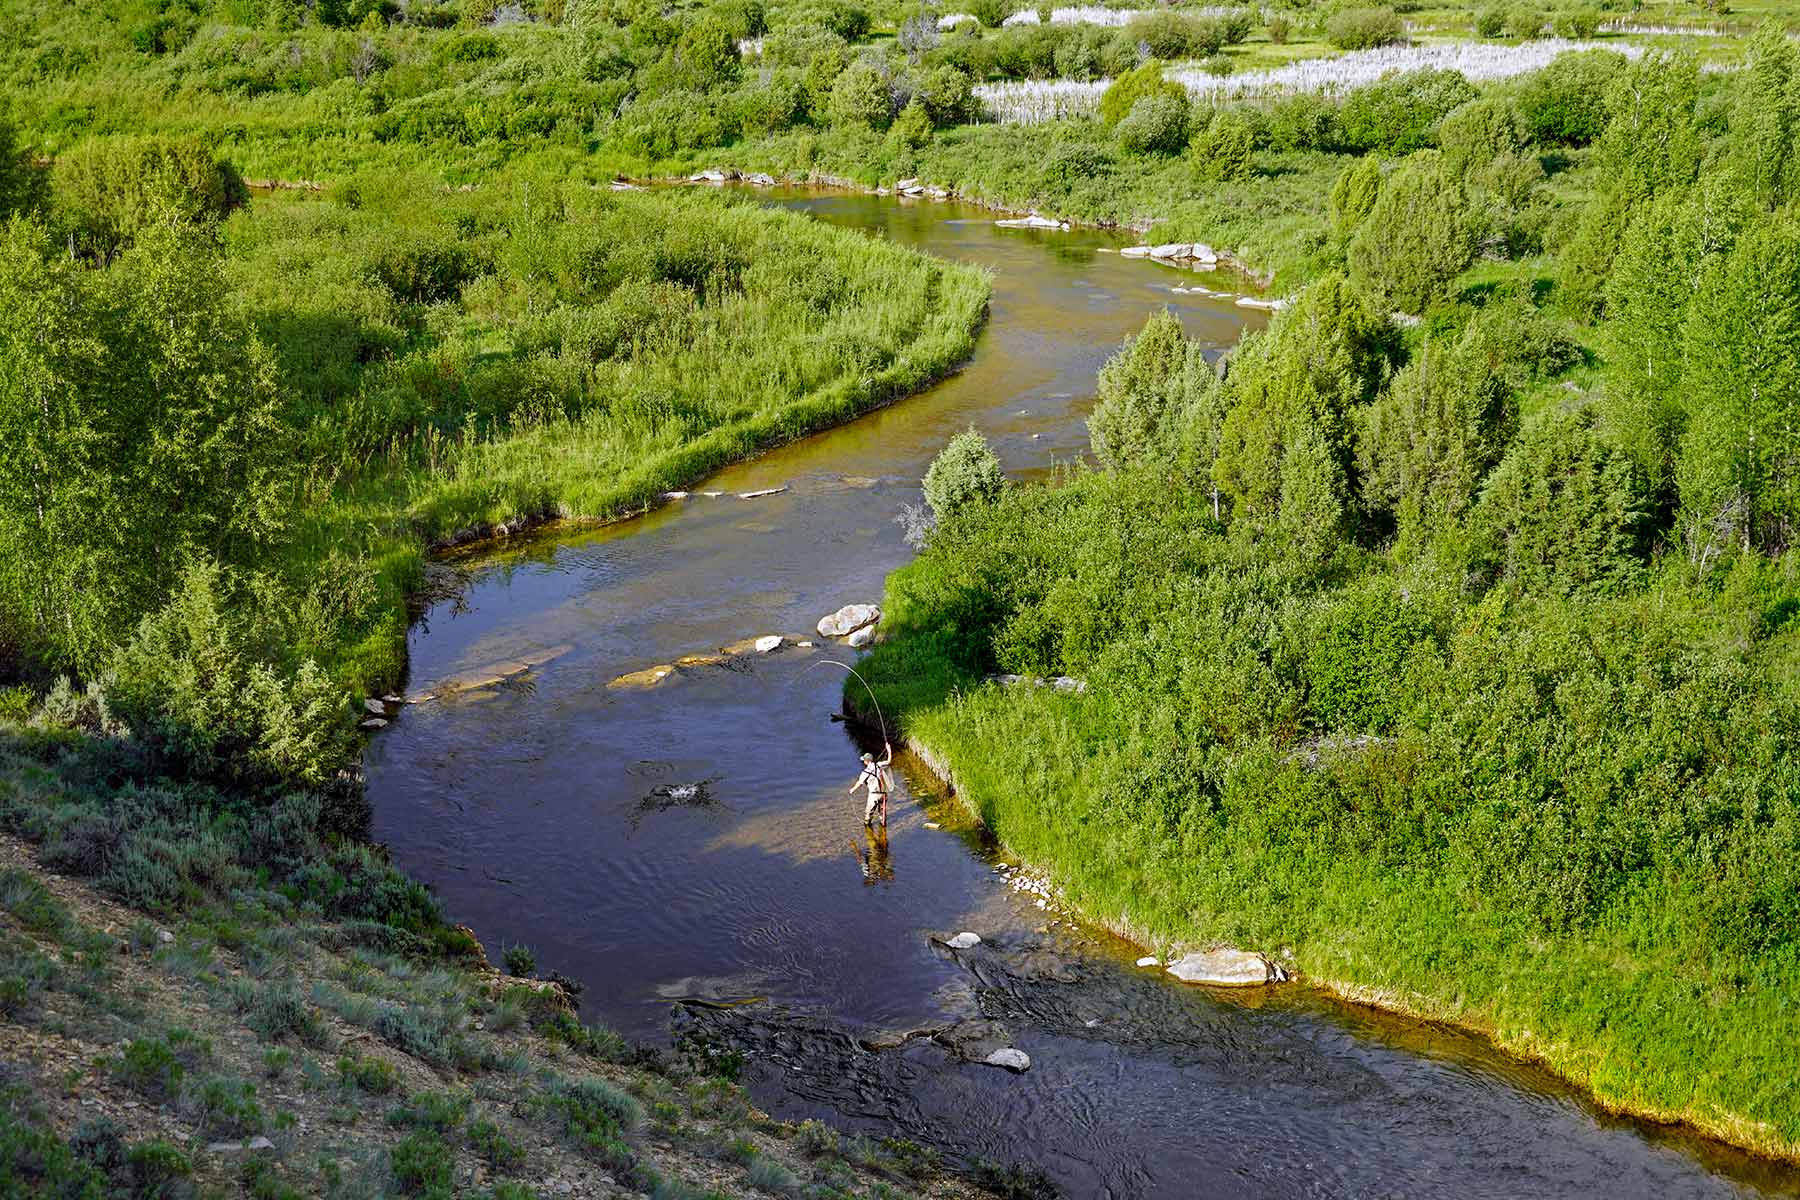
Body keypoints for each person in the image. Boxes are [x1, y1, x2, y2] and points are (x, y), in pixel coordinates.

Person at [847, 742, 893, 827]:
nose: (863, 761)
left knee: (868, 814)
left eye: (864, 760)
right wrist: (889, 750)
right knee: (882, 813)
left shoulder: (865, 772)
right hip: (883, 794)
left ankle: (868, 830)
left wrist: (852, 790)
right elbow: (889, 761)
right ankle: (883, 829)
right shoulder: (879, 765)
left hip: (874, 796)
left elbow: (859, 783)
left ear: (867, 761)